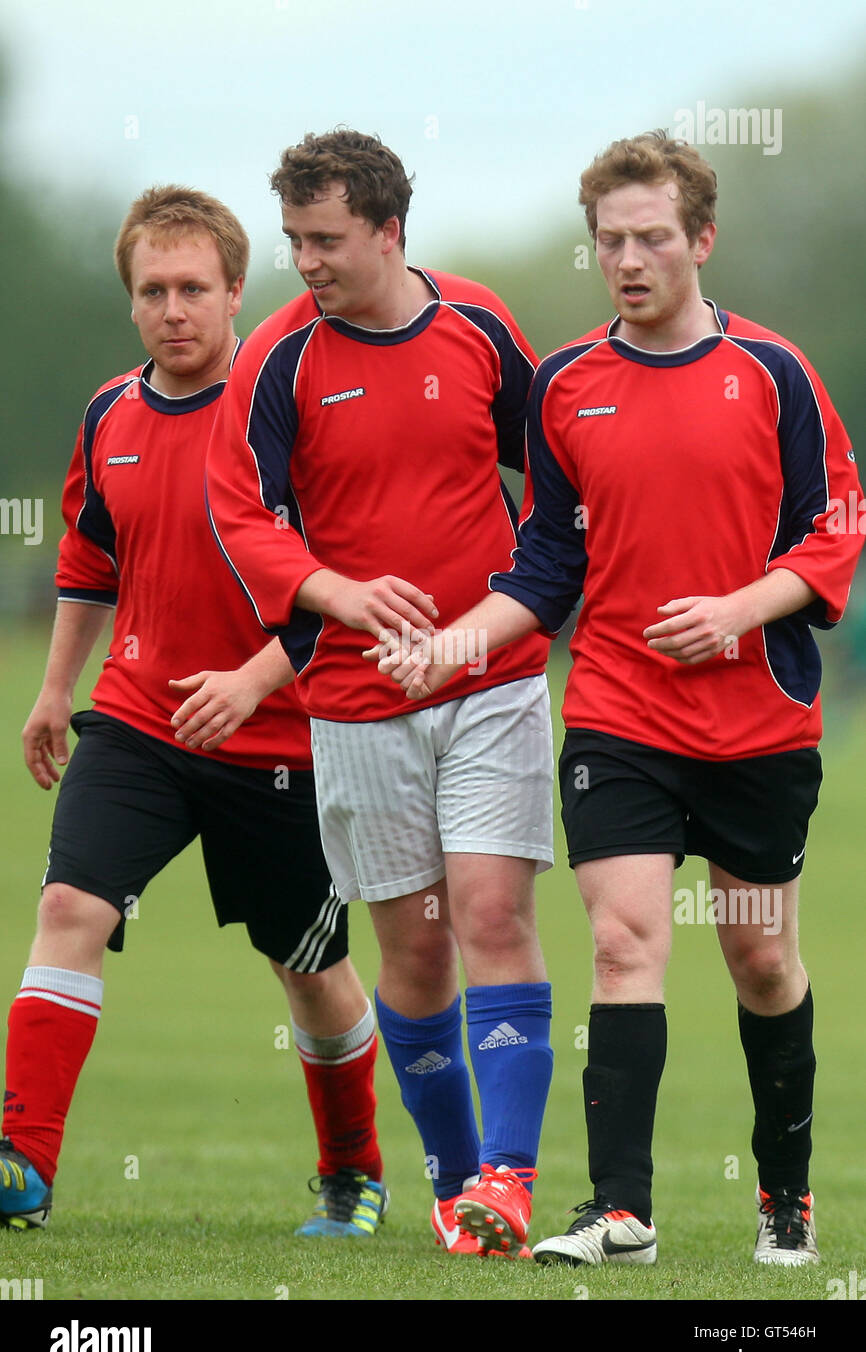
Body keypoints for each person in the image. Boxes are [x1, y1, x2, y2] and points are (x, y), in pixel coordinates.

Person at [371, 130, 864, 1267]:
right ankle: (619, 1210)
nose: (628, 259)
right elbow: (546, 567)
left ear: (700, 238)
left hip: (755, 722)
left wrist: (739, 610)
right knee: (622, 940)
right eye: (609, 241)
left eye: (651, 237)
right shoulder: (564, 386)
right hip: (617, 714)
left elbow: (832, 531)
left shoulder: (773, 373)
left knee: (758, 960)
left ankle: (783, 1196)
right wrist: (453, 644)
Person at [0, 186, 387, 1239]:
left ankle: (352, 1172)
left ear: (233, 293)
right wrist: (53, 688)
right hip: (136, 722)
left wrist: (256, 675)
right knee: (70, 909)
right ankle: (21, 1162)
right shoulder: (109, 412)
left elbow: (340, 579)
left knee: (308, 971)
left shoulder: (289, 415)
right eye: (152, 291)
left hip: (283, 739)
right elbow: (88, 558)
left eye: (193, 289)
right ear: (131, 302)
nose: (173, 308)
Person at [204, 130, 555, 1257]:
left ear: (391, 231)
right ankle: (454, 1184)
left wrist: (489, 621)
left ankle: (507, 1178)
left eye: (326, 240)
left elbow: (555, 486)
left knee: (493, 913)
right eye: (293, 240)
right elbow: (240, 518)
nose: (303, 261)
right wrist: (338, 596)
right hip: (355, 700)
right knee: (416, 948)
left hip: (494, 674)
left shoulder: (482, 326)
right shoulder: (274, 359)